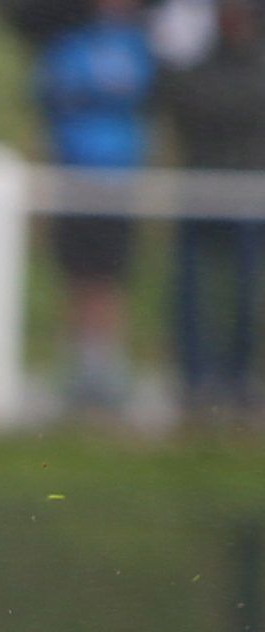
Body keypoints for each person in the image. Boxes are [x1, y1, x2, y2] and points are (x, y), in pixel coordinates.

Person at [36, 0, 156, 414]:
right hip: (75, 175)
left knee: (110, 275)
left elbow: (141, 90)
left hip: (118, 178)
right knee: (76, 274)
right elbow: (55, 93)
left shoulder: (139, 45)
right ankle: (78, 366)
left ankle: (107, 365)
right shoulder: (72, 45)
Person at [160, 0, 265, 415]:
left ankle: (238, 380)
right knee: (191, 290)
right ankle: (196, 380)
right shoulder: (198, 59)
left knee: (243, 292)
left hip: (247, 194)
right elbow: (186, 102)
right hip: (200, 187)